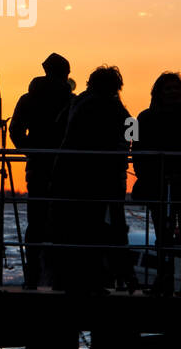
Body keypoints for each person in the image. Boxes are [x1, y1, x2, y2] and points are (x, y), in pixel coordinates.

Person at [51, 65, 133, 293]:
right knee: (96, 228)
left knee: (77, 229)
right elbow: (131, 127)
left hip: (72, 174)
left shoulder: (78, 103)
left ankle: (71, 279)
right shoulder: (108, 105)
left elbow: (61, 131)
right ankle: (101, 279)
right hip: (97, 177)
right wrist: (127, 148)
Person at [132, 72, 181, 295]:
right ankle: (164, 279)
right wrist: (145, 174)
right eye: (169, 88)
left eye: (178, 88)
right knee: (163, 236)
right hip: (158, 182)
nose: (175, 92)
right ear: (159, 93)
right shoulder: (142, 118)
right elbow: (135, 149)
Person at [9, 52, 73, 287]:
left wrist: (31, 152)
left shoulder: (27, 99)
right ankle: (59, 279)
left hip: (37, 167)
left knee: (35, 223)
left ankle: (32, 278)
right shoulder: (71, 100)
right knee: (62, 224)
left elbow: (15, 130)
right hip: (65, 169)